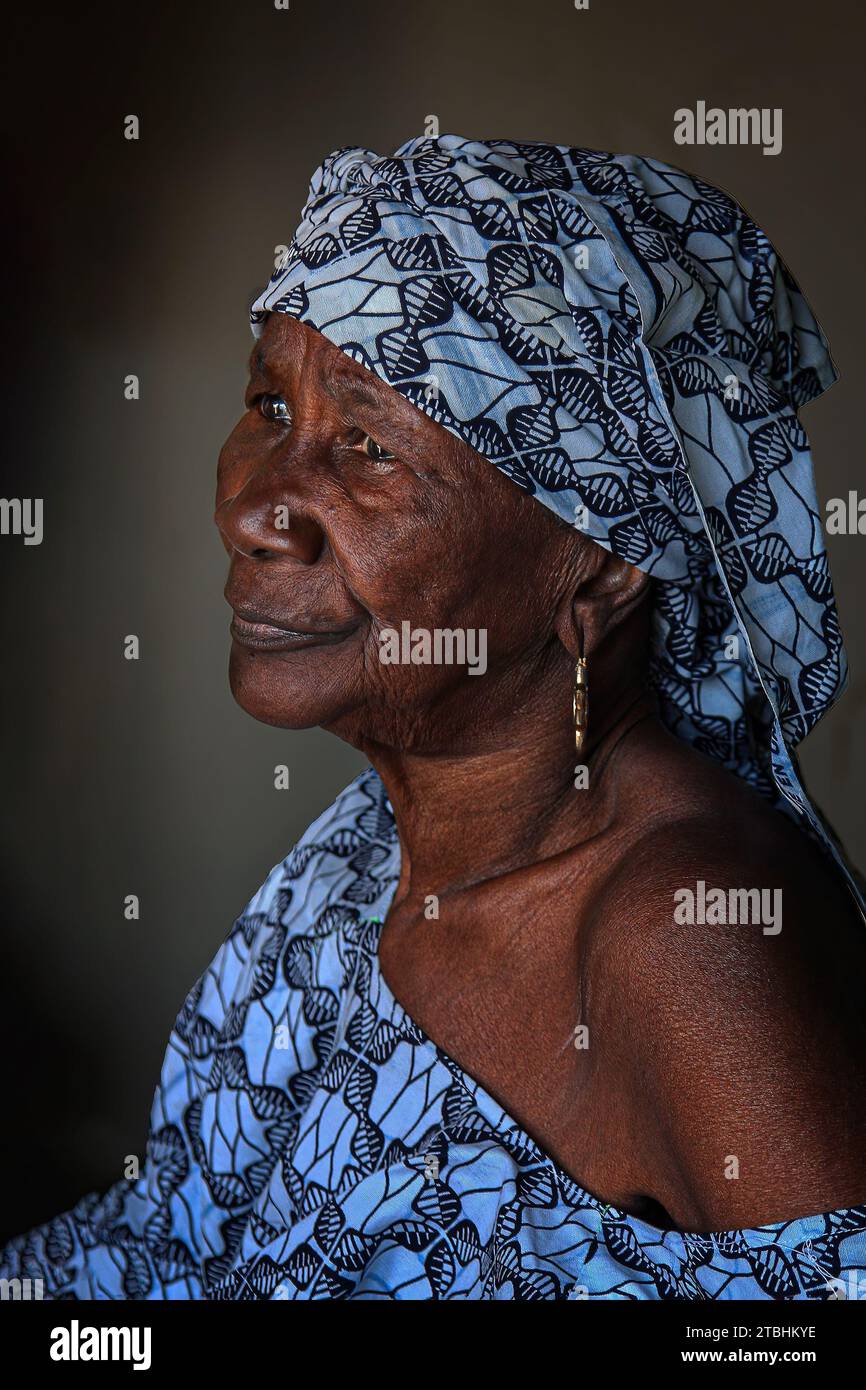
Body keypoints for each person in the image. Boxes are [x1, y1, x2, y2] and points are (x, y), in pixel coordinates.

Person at [3, 135, 865, 1300]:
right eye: (268, 403)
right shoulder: (364, 856)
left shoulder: (685, 941)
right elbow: (162, 1247)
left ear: (603, 568)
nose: (258, 508)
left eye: (367, 447)